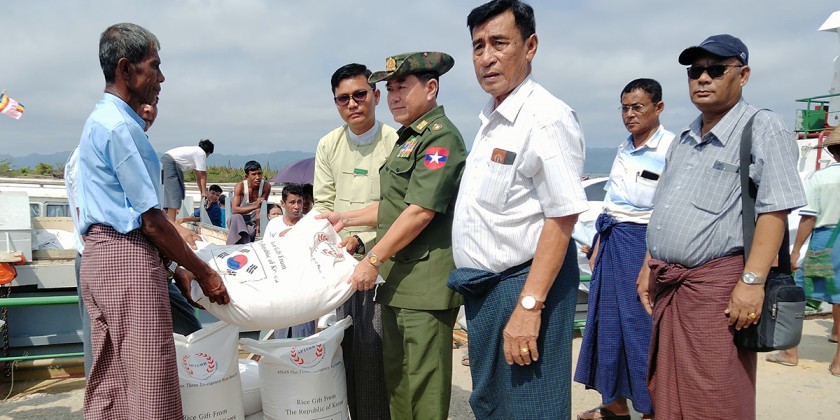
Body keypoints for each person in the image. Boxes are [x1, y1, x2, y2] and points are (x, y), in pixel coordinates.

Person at [639, 34, 806, 419]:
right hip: (670, 283)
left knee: (716, 390)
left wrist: (752, 283)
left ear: (742, 74)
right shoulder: (683, 138)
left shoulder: (763, 127)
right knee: (668, 388)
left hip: (718, 288)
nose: (703, 78)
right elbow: (666, 206)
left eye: (716, 69)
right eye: (695, 71)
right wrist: (648, 263)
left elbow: (775, 211)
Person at [75, 23, 229, 419]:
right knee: (151, 381)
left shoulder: (98, 120)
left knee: (111, 379)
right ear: (126, 70)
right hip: (128, 262)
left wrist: (174, 265)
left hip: (98, 260)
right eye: (154, 67)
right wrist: (203, 272)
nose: (161, 78)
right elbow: (154, 223)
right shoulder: (123, 128)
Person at [446, 1, 588, 418]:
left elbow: (561, 217)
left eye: (499, 43)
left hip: (524, 287)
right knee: (493, 405)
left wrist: (529, 308)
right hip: (488, 291)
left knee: (531, 407)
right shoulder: (494, 119)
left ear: (530, 46)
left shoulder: (545, 118)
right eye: (478, 46)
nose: (486, 56)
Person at [320, 51, 466, 419]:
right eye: (392, 89)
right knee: (398, 385)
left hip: (425, 285)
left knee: (424, 390)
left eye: (403, 87)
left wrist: (372, 257)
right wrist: (346, 216)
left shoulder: (440, 139)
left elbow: (420, 211)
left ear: (431, 88)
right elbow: (394, 207)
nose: (396, 96)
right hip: (399, 281)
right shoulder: (408, 139)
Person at [574, 79, 674, 420]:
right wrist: (599, 242)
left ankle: (651, 409)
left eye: (638, 107)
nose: (629, 115)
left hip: (644, 247)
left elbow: (668, 209)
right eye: (625, 108)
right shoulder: (624, 148)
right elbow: (613, 205)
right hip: (611, 243)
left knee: (640, 329)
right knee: (605, 325)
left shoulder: (671, 149)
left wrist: (653, 257)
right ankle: (614, 405)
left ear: (658, 108)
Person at [312, 62, 398, 420]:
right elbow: (322, 204)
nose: (353, 104)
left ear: (375, 96)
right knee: (340, 348)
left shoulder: (395, 141)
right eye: (343, 98)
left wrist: (361, 243)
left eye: (360, 94)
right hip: (338, 262)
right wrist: (340, 239)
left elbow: (398, 208)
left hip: (382, 261)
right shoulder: (328, 144)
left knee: (373, 349)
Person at [765, 128, 840, 376]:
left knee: (798, 294)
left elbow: (808, 218)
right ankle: (838, 358)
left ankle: (789, 352)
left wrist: (795, 252)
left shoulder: (821, 178)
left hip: (826, 241)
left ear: (831, 150)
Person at [160, 139, 214, 221]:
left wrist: (202, 192)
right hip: (170, 163)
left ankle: (168, 218)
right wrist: (203, 193)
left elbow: (198, 176)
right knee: (174, 192)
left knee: (178, 189)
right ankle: (172, 222)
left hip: (168, 161)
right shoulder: (201, 153)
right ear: (208, 152)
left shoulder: (195, 152)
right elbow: (203, 175)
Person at [227, 160, 271, 244]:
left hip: (254, 221)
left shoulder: (266, 186)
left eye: (259, 173)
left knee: (250, 232)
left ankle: (241, 245)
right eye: (254, 174)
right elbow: (235, 210)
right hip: (238, 221)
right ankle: (231, 246)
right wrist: (254, 206)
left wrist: (258, 227)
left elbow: (260, 209)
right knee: (236, 217)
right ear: (246, 176)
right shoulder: (240, 186)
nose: (257, 177)